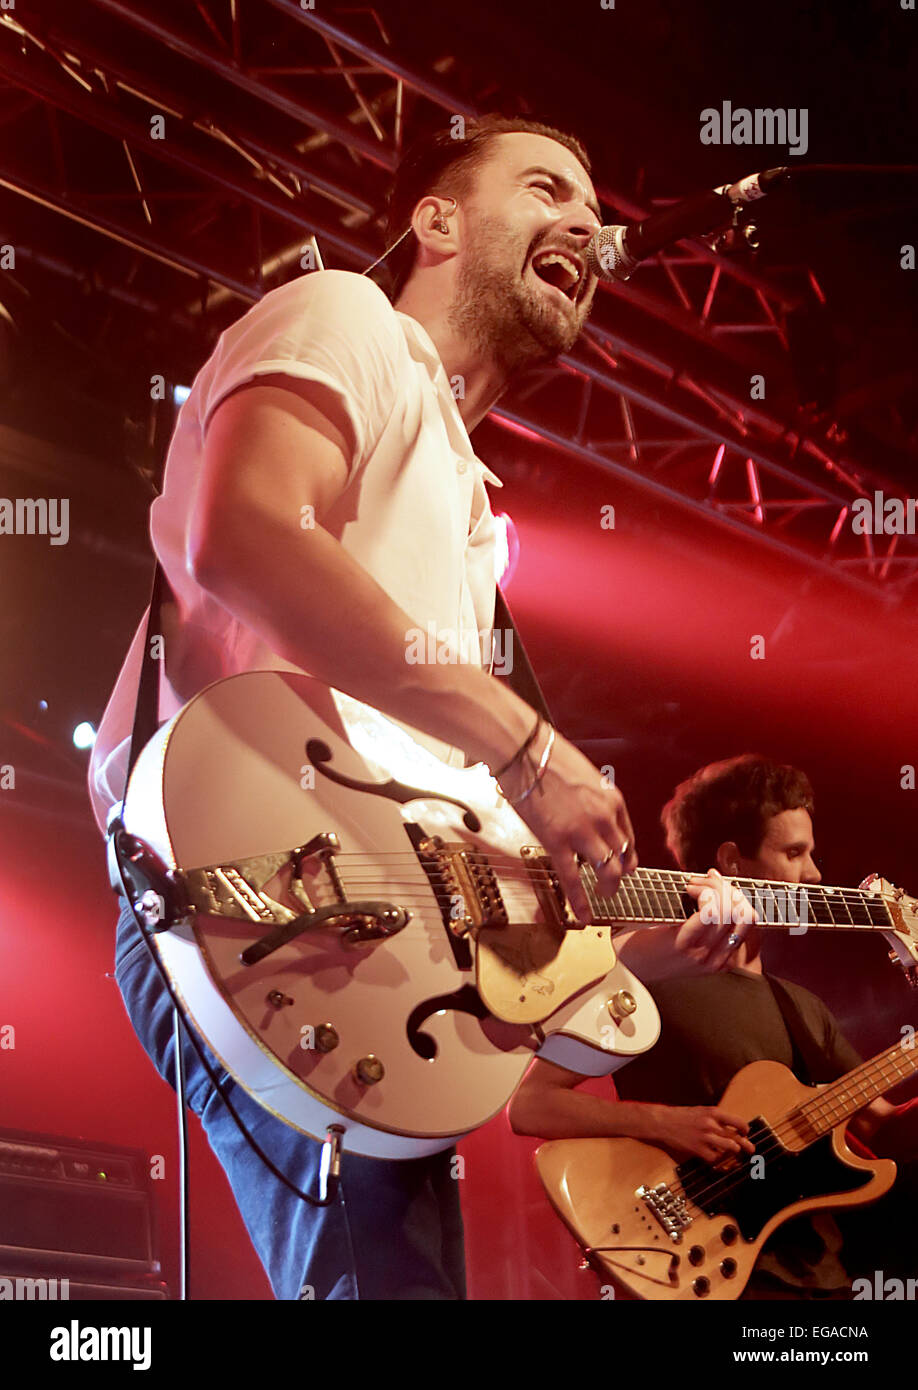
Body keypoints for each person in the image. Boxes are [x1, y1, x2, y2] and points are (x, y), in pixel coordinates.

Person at [87, 113, 667, 1302]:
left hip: (376, 925)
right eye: (547, 185)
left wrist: (631, 925)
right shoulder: (351, 316)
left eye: (594, 212)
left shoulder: (467, 504)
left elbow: (423, 795)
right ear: (436, 220)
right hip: (254, 888)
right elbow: (246, 534)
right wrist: (523, 738)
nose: (587, 225)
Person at [509, 755, 918, 1298]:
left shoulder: (802, 1007)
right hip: (699, 1267)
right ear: (733, 859)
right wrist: (665, 1123)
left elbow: (878, 1128)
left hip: (819, 1278)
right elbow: (532, 1105)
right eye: (794, 852)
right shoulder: (647, 974)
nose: (815, 874)